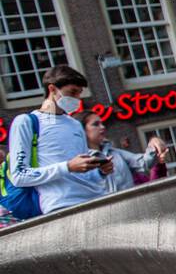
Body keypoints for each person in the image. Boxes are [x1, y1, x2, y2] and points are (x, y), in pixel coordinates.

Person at [4, 64, 113, 217]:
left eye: (79, 93)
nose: (77, 98)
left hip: (99, 199)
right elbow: (19, 176)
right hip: (62, 207)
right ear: (52, 89)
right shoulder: (26, 122)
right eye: (72, 92)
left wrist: (100, 171)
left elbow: (81, 170)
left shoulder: (75, 124)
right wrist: (67, 166)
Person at [80, 113, 169, 192]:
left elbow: (143, 163)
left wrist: (153, 144)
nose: (102, 127)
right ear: (82, 131)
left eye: (102, 123)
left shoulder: (115, 153)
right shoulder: (80, 161)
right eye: (96, 124)